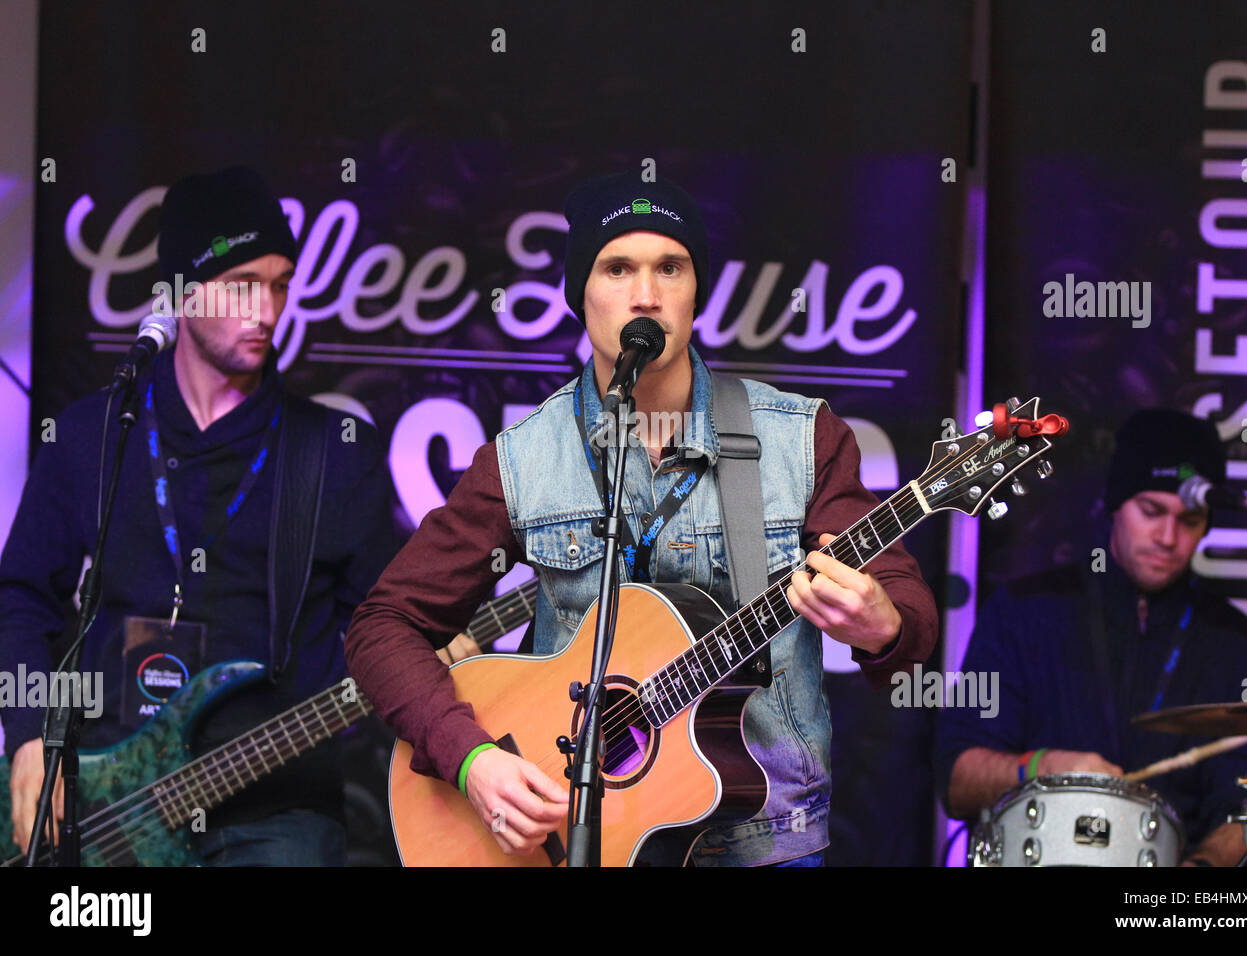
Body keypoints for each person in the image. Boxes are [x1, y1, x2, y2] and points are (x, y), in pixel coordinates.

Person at [345, 170, 939, 866]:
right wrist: (473, 760)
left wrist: (885, 624)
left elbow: (905, 604)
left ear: (696, 294)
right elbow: (383, 628)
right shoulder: (522, 459)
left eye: (671, 267)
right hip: (579, 840)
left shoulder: (799, 439)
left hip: (762, 842)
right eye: (618, 267)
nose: (647, 293)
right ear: (581, 295)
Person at [1, 166, 396, 865]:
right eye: (243, 284)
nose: (269, 310)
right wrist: (29, 735)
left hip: (274, 806)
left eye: (280, 283)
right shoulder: (96, 434)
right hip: (107, 801)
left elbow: (389, 626)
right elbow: (22, 599)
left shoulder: (333, 454)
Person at [936, 408, 1247, 866]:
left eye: (1191, 520)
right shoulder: (1022, 611)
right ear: (1117, 503)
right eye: (1152, 511)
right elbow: (957, 785)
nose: (1168, 536)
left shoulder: (1241, 642)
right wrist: (1046, 769)